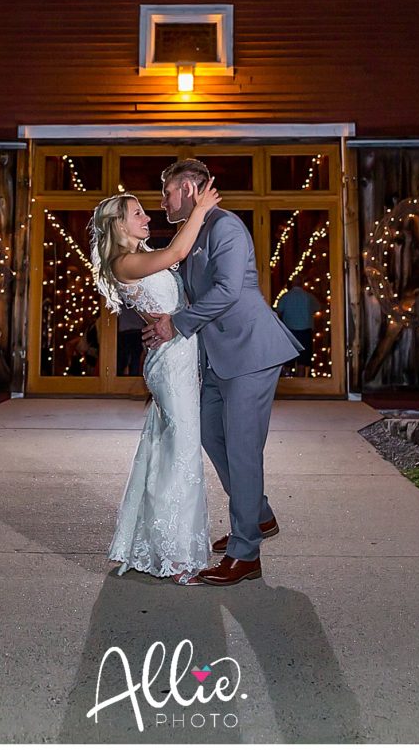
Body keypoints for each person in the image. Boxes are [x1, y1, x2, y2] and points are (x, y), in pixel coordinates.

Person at [143, 159, 303, 587]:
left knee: (243, 449)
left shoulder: (226, 227)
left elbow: (230, 291)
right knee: (210, 433)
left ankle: (245, 553)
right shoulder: (194, 231)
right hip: (218, 357)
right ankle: (260, 515)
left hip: (249, 352)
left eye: (167, 192)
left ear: (190, 190)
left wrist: (175, 324)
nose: (162, 203)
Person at [89, 178, 221, 585]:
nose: (148, 218)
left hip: (178, 357)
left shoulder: (140, 255)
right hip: (171, 364)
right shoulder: (124, 263)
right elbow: (179, 251)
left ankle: (155, 545)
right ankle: (178, 558)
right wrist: (200, 209)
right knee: (180, 454)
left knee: (166, 451)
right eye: (138, 214)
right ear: (119, 226)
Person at [274, 284, 321, 377]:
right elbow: (317, 308)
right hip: (305, 331)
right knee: (302, 361)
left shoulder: (286, 297)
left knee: (288, 359)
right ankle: (300, 382)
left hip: (289, 331)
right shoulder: (308, 296)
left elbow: (278, 310)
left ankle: (287, 382)